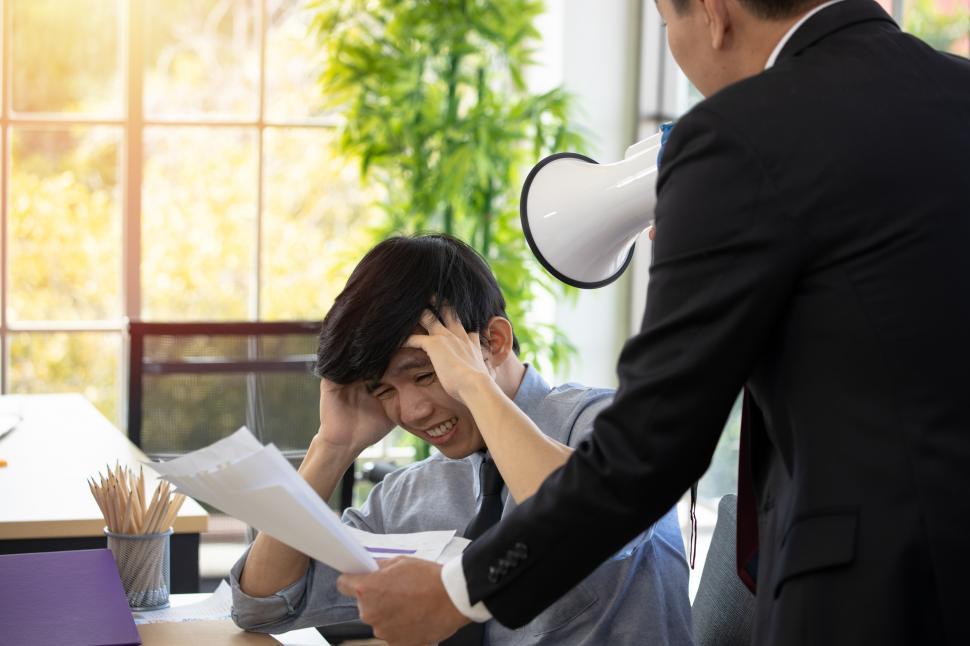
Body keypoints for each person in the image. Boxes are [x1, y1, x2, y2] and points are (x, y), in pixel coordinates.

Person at [336, 1, 970, 644]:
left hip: (868, 603)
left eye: (668, 22)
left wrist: (458, 591)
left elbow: (651, 446)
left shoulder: (737, 136)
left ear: (713, 13)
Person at [228, 234, 693, 645]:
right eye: (384, 390)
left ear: (493, 342)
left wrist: (475, 385)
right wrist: (331, 448)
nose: (411, 411)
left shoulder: (607, 429)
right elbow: (261, 604)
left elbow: (584, 523)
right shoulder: (411, 494)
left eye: (426, 374)